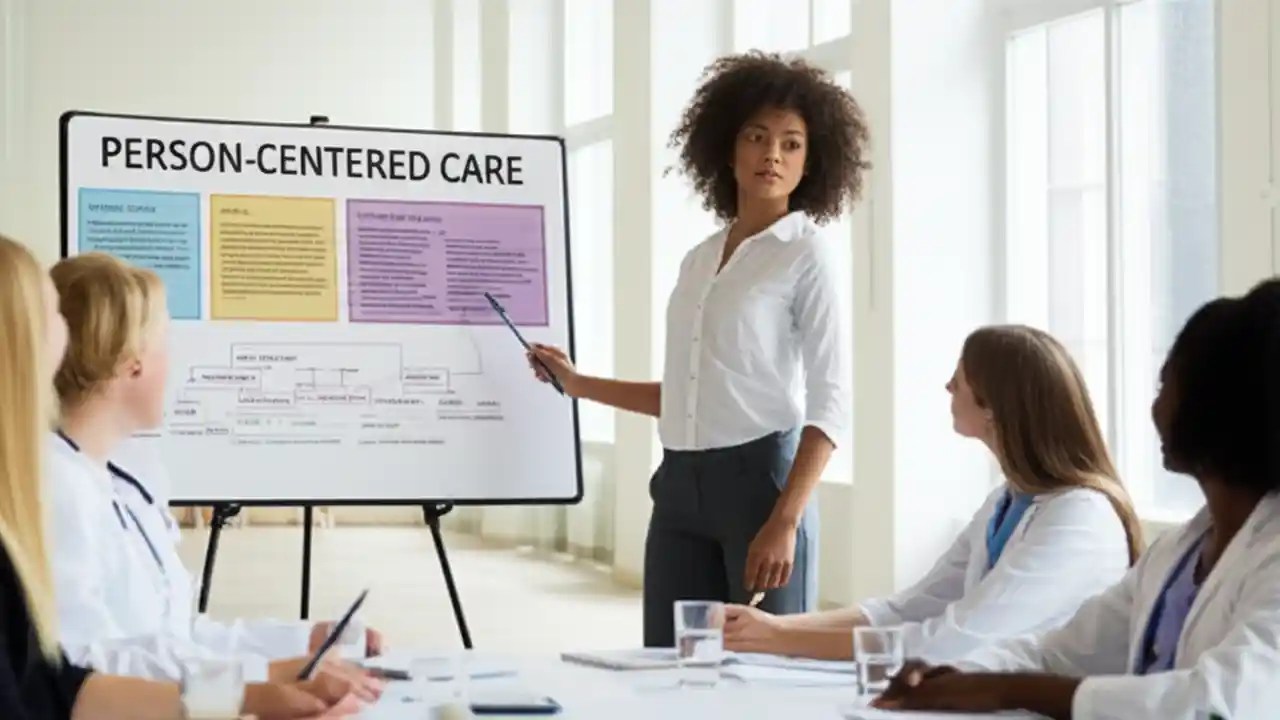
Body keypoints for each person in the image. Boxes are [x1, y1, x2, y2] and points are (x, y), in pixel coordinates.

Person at [527, 51, 868, 647]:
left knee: (764, 673)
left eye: (791, 144)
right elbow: (690, 395)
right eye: (757, 137)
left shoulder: (805, 254)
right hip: (679, 487)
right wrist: (578, 385)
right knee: (668, 663)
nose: (772, 156)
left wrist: (785, 520)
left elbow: (831, 402)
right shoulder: (700, 260)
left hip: (763, 486)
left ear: (812, 160)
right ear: (726, 146)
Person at [873, 279, 1280, 719]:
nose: (1155, 407)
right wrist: (958, 676)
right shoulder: (1178, 552)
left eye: (1165, 385)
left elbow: (1217, 705)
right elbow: (1059, 654)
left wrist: (1005, 691)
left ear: (1219, 405)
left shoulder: (1268, 556)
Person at [0, 233, 359, 718]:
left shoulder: (118, 482)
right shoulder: (52, 490)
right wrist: (258, 683)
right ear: (132, 363)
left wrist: (286, 659)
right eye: (164, 343)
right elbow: (84, 670)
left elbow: (80, 683)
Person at [722, 325, 1144, 663]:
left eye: (958, 380)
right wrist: (769, 627)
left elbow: (949, 642)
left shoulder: (1080, 516)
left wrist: (779, 638)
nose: (947, 387)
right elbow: (909, 609)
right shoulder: (1007, 501)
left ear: (993, 405)